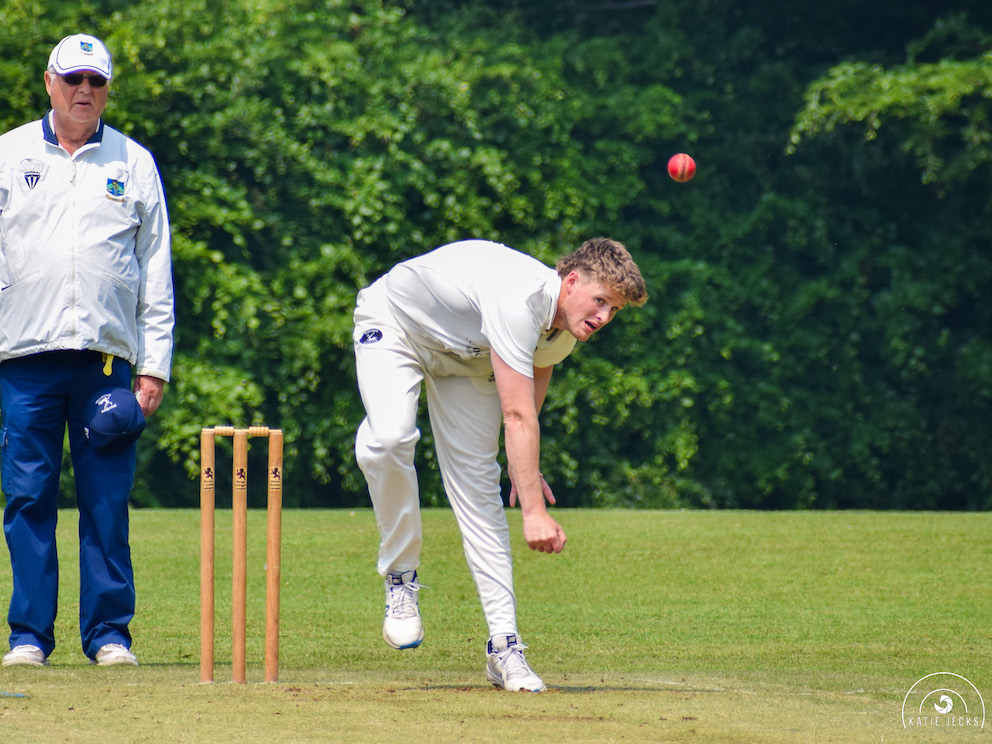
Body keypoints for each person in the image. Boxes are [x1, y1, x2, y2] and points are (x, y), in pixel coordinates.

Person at [353, 237, 647, 691]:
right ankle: (401, 578)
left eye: (615, 311)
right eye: (601, 301)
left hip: (466, 362)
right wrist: (533, 512)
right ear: (571, 281)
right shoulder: (520, 300)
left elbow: (527, 406)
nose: (604, 317)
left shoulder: (563, 333)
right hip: (396, 327)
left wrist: (522, 468)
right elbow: (515, 416)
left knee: (478, 486)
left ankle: (504, 647)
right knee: (390, 438)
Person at [0, 34, 174, 667]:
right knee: (27, 498)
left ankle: (108, 635)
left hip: (107, 359)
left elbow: (156, 269)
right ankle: (28, 636)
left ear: (107, 89)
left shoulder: (134, 161)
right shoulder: (7, 153)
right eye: (72, 78)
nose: (84, 91)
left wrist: (154, 364)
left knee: (105, 501)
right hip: (23, 357)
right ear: (48, 81)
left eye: (95, 81)